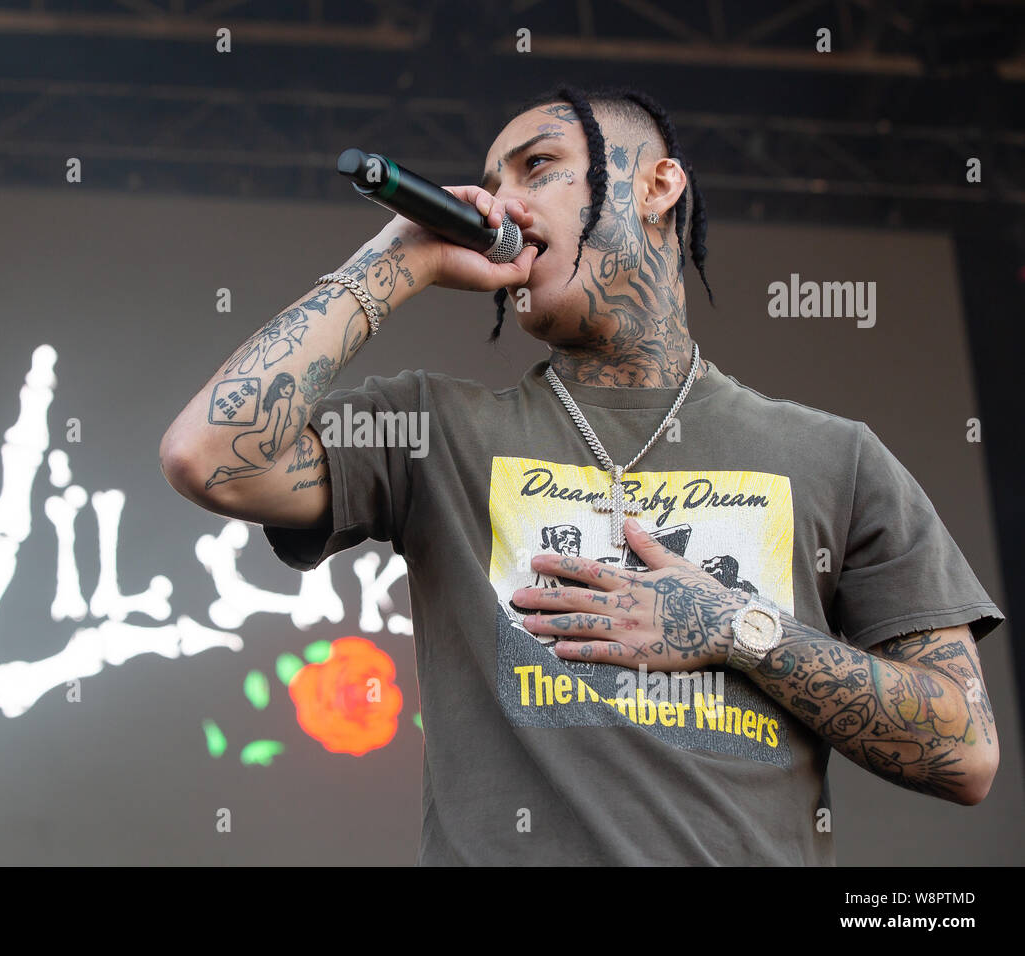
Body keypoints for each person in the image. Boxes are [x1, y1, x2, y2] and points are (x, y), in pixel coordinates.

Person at [160, 83, 1004, 865]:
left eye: (540, 167)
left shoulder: (836, 456)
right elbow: (208, 455)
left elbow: (963, 752)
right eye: (494, 181)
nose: (504, 202)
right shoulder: (433, 430)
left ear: (658, 185)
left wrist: (737, 630)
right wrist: (399, 257)